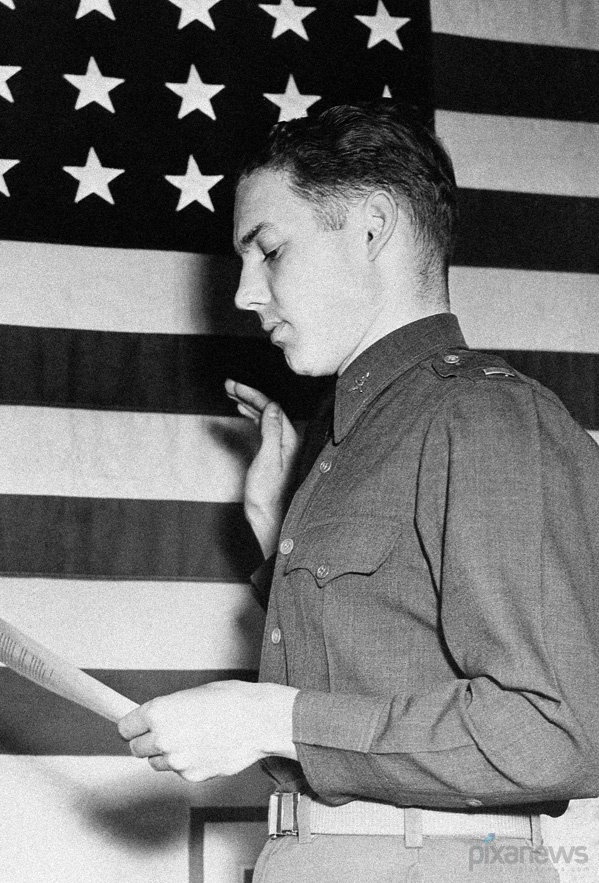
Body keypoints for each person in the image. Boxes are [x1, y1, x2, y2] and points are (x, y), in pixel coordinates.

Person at [118, 101, 599, 881]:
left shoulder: (484, 415)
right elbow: (388, 656)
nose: (244, 292)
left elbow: (550, 732)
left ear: (372, 227)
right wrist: (278, 531)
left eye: (268, 250)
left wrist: (264, 718)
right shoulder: (353, 440)